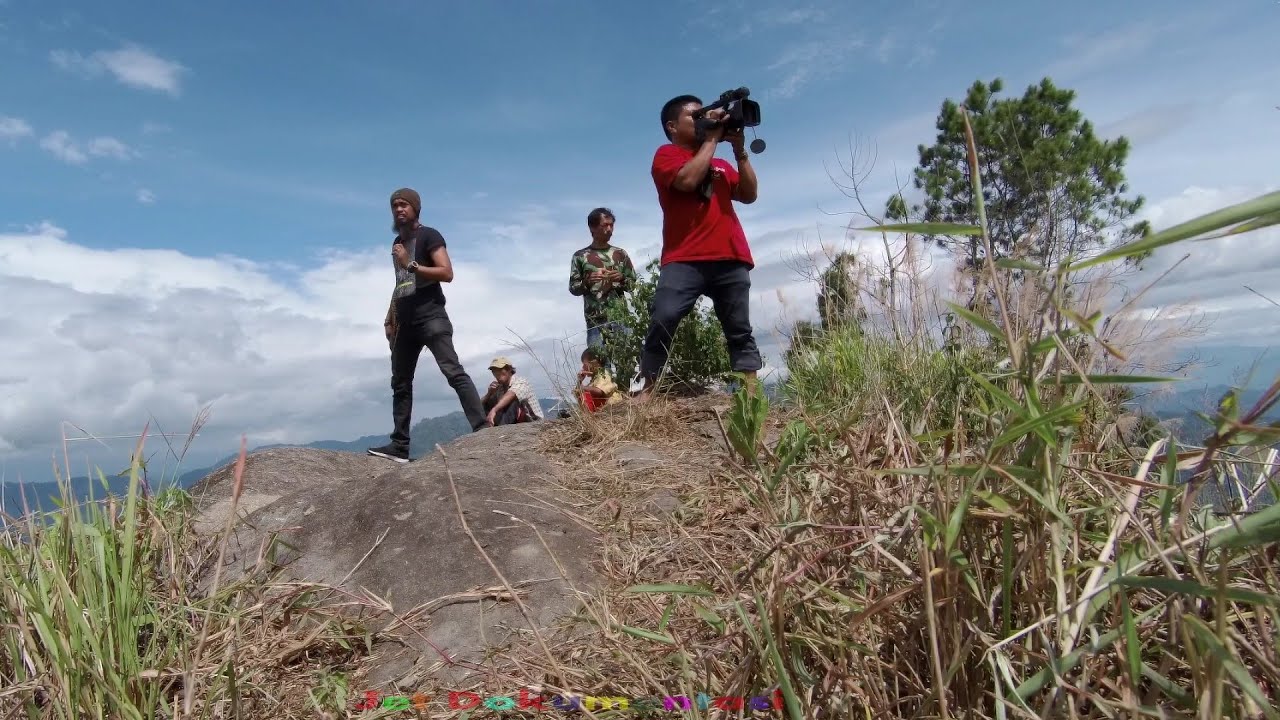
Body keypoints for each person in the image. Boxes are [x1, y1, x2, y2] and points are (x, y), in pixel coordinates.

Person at [637, 95, 763, 400]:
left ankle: (750, 394)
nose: (704, 120)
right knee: (663, 319)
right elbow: (688, 181)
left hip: (730, 255)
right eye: (695, 116)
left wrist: (739, 150)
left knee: (739, 329)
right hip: (685, 258)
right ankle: (647, 390)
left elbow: (749, 194)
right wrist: (713, 140)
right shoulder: (666, 155)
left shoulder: (719, 164)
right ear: (672, 126)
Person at [368, 188, 489, 463]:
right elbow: (402, 283)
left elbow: (446, 273)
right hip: (405, 321)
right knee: (400, 382)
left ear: (415, 209)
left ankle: (482, 428)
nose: (399, 210)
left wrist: (410, 265)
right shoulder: (398, 243)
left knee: (452, 371)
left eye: (404, 205)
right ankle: (399, 446)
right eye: (395, 206)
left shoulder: (429, 236)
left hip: (431, 316)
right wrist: (390, 316)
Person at [568, 207, 637, 350]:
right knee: (599, 366)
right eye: (605, 225)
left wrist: (622, 278)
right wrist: (587, 282)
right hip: (595, 321)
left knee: (626, 361)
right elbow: (573, 288)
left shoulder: (620, 254)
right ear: (592, 227)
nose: (610, 229)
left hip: (620, 317)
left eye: (612, 225)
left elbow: (633, 284)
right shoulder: (580, 256)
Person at [481, 356, 545, 426]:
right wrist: (489, 393)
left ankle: (502, 429)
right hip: (516, 423)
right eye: (494, 371)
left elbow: (512, 394)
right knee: (486, 403)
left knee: (511, 400)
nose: (497, 373)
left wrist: (494, 410)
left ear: (509, 369)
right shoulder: (499, 388)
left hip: (533, 422)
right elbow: (480, 405)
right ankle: (483, 427)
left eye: (500, 369)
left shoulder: (522, 382)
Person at [575, 347, 623, 412]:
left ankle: (591, 417)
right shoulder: (594, 379)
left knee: (586, 395)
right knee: (583, 395)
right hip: (604, 410)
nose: (583, 367)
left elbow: (599, 391)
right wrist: (580, 381)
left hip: (612, 408)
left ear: (594, 362)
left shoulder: (603, 374)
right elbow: (577, 392)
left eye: (585, 364)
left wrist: (583, 387)